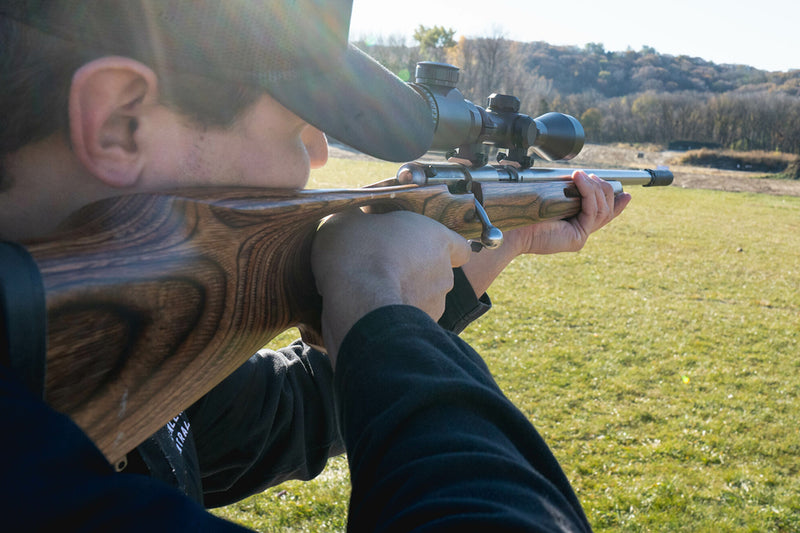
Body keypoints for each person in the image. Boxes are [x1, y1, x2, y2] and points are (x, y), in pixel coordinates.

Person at [0, 0, 630, 530]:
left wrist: (496, 240)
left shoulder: (64, 346)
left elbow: (286, 416)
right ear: (119, 120)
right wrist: (382, 300)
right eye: (298, 126)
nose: (321, 156)